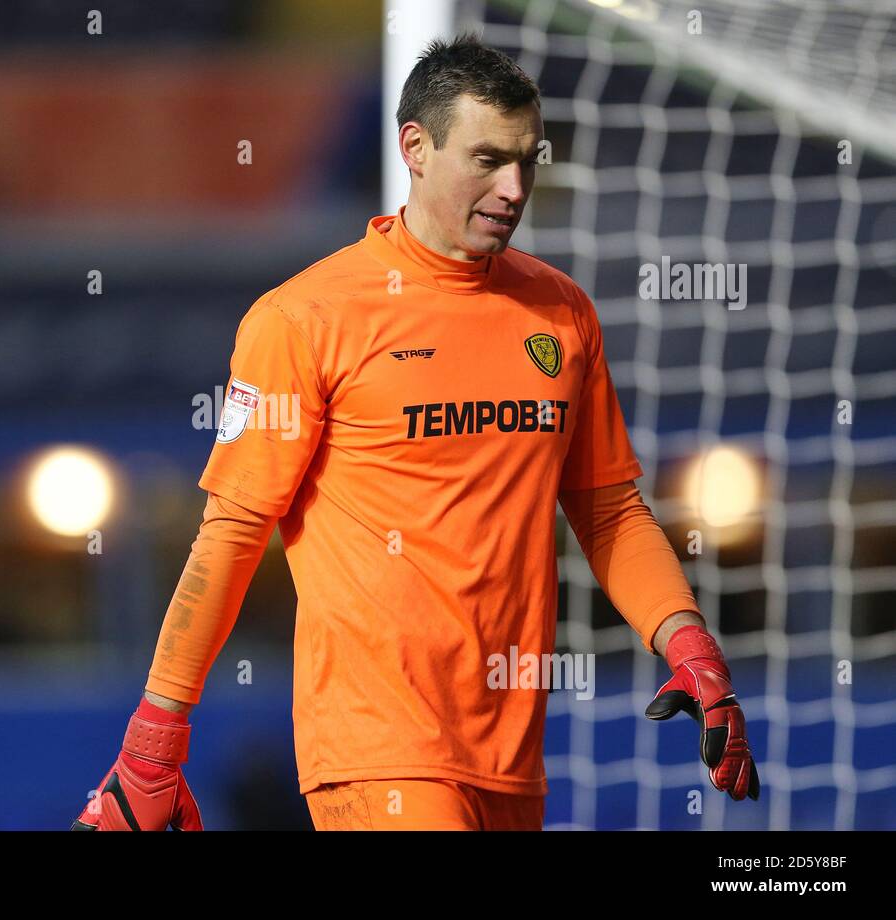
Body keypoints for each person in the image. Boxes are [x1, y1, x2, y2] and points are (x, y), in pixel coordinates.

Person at [72, 33, 758, 832]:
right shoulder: (304, 318)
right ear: (416, 148)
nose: (513, 188)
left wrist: (690, 646)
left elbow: (608, 510)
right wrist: (155, 737)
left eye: (529, 161)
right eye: (488, 159)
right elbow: (231, 531)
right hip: (377, 748)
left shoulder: (561, 313)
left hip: (511, 754)